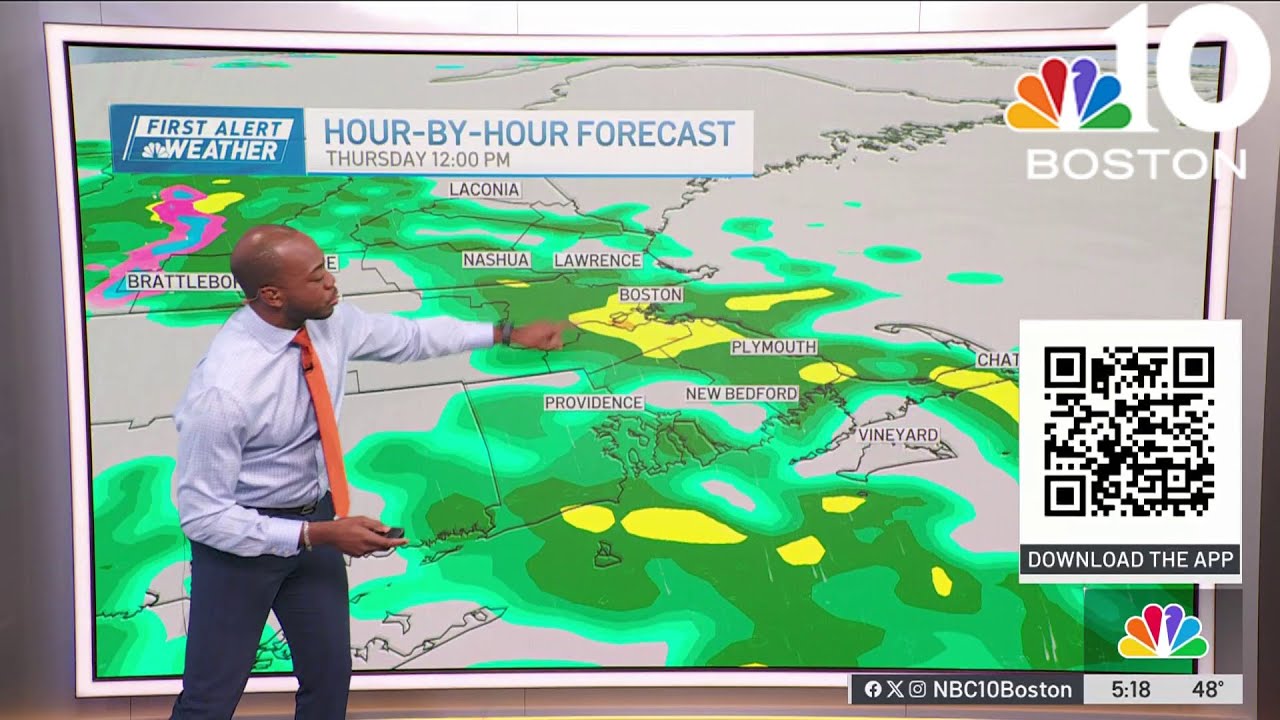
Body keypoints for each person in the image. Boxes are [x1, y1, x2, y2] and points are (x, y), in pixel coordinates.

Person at [168, 224, 568, 720]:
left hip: (316, 523)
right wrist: (316, 535)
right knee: (210, 699)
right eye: (316, 276)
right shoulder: (224, 391)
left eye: (325, 268)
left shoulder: (326, 323)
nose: (331, 282)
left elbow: (411, 337)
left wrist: (505, 334)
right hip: (240, 548)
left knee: (329, 682)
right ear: (272, 295)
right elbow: (202, 515)